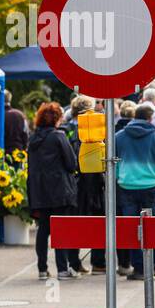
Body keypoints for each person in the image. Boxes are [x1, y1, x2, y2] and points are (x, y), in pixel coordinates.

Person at [115, 104, 155, 281]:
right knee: (154, 227)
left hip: (127, 186)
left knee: (133, 229)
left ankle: (138, 268)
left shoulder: (119, 137)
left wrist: (119, 177)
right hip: (150, 186)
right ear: (150, 118)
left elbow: (114, 163)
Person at [27, 103, 80, 280]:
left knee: (43, 230)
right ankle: (62, 269)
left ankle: (42, 268)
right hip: (60, 190)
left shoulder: (33, 139)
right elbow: (71, 164)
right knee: (61, 230)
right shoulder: (59, 136)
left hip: (40, 190)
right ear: (58, 118)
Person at [64, 95, 104, 274]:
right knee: (98, 222)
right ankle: (98, 262)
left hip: (73, 182)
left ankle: (74, 262)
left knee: (74, 224)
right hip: (94, 181)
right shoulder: (95, 129)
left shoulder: (66, 130)